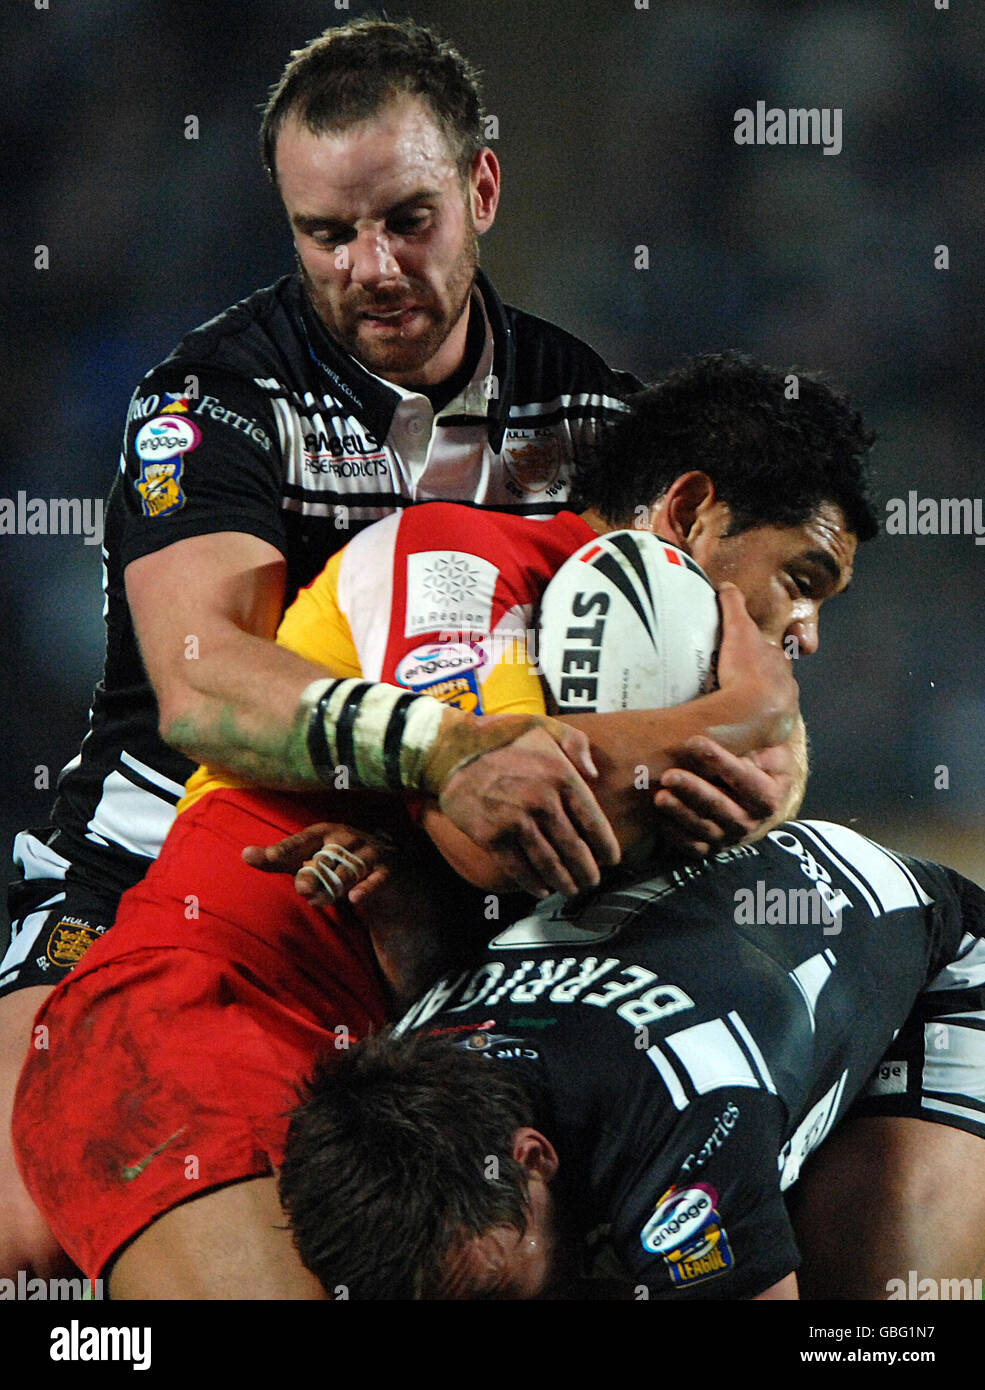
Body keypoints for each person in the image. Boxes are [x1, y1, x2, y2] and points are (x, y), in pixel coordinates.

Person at [4, 17, 768, 1280]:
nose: (370, 266)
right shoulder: (212, 401)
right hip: (151, 868)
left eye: (407, 219)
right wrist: (442, 748)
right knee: (29, 1234)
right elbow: (202, 683)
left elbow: (708, 637)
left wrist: (740, 741)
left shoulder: (589, 416)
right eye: (326, 233)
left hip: (455, 888)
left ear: (481, 187)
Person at [12, 356, 879, 1297]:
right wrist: (754, 711)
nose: (806, 632)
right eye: (803, 577)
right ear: (688, 511)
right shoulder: (459, 556)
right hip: (206, 1018)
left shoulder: (657, 694)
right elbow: (492, 820)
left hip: (379, 1094)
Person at [278, 819, 985, 1301]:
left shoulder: (685, 1114)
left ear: (532, 1158)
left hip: (930, 963)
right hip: (722, 942)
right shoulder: (396, 1084)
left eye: (495, 1295)